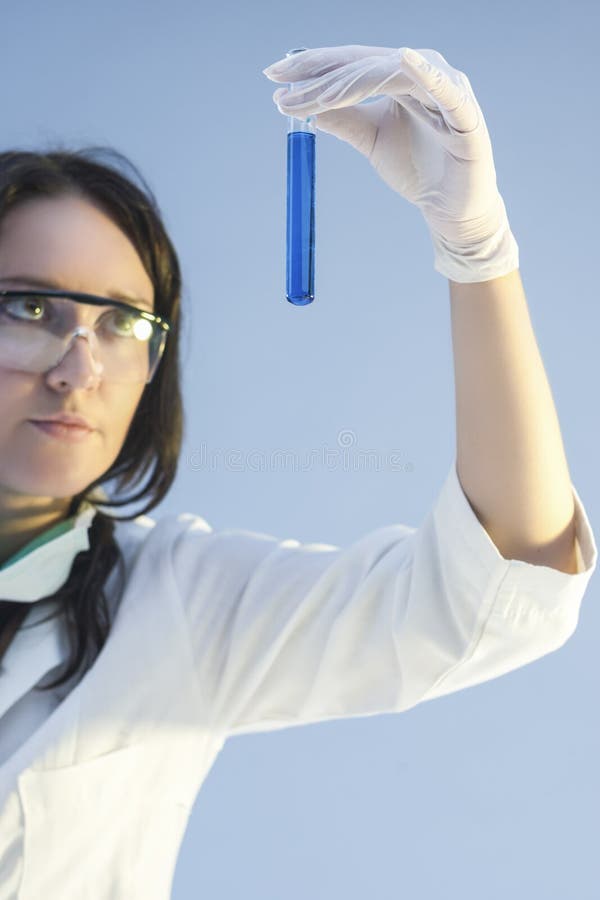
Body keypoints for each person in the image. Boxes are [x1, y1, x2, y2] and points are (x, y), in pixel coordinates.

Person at [0, 46, 596, 899]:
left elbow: (497, 590)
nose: (78, 369)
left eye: (124, 324)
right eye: (30, 307)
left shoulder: (176, 604)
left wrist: (477, 250)